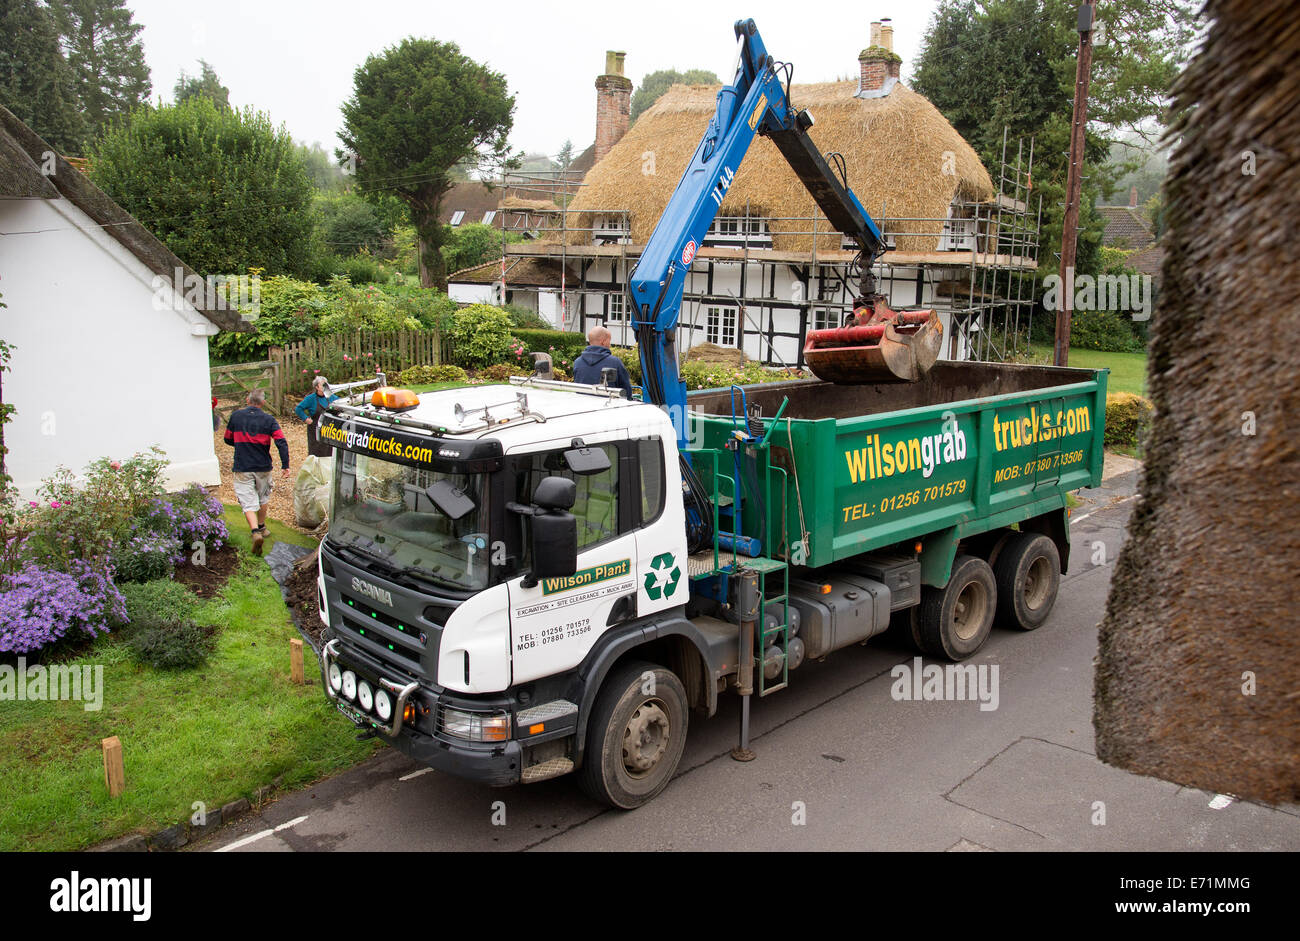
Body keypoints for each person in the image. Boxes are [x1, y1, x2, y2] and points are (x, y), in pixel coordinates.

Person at [224, 388, 290, 555]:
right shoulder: (269, 420)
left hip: (242, 466)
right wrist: (285, 465)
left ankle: (255, 532)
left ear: (248, 400)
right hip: (263, 467)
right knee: (263, 496)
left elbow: (227, 438)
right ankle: (262, 528)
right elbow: (281, 442)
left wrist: (241, 444)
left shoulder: (236, 416)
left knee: (247, 501)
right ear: (263, 403)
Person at [573, 325, 633, 398]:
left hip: (583, 406)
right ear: (603, 342)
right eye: (609, 340)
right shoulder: (614, 362)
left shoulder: (577, 362)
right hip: (607, 406)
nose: (610, 344)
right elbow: (627, 392)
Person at [295, 376, 340, 459]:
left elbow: (341, 405)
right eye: (322, 385)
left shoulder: (332, 397)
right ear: (316, 387)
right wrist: (305, 418)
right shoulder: (310, 399)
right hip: (315, 430)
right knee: (316, 455)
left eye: (326, 385)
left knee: (329, 454)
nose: (325, 387)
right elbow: (298, 409)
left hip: (330, 430)